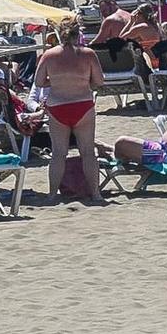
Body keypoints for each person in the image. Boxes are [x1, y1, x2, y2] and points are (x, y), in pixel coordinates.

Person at [33, 20, 106, 205]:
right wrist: (82, 81)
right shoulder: (88, 54)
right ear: (77, 34)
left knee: (58, 154)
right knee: (88, 152)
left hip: (58, 106)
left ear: (59, 34)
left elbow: (39, 82)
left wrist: (56, 81)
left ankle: (51, 195)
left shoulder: (49, 55)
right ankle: (96, 194)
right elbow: (99, 81)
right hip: (82, 104)